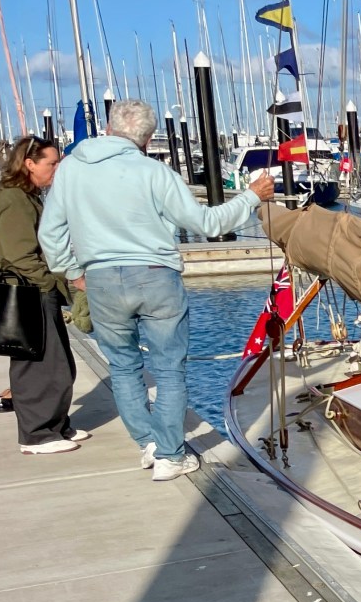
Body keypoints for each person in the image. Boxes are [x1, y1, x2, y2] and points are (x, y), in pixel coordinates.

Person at [39, 99, 276, 481]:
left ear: (111, 128)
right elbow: (207, 223)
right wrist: (251, 196)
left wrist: (72, 272)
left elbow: (50, 233)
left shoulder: (71, 171)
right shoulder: (155, 172)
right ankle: (169, 454)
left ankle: (148, 443)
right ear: (148, 138)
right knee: (168, 370)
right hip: (155, 275)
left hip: (100, 278)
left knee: (124, 366)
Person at [0, 135, 82, 454]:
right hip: (27, 292)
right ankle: (36, 435)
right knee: (36, 364)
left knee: (57, 362)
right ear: (29, 164)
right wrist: (51, 284)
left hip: (34, 289)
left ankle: (55, 425)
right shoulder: (14, 199)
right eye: (51, 163)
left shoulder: (28, 196)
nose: (56, 168)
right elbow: (19, 254)